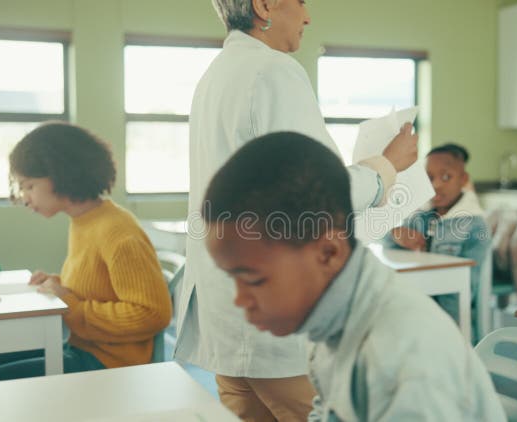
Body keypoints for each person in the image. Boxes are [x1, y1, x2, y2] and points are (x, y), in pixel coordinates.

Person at [175, 0, 418, 419]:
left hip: (226, 312)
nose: (308, 16)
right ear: (264, 4)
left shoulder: (214, 76)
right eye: (302, 2)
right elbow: (315, 192)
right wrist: (387, 166)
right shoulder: (272, 71)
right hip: (275, 314)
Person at [201, 131, 505, 421]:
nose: (239, 300)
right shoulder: (326, 320)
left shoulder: (403, 360)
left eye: (253, 279)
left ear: (329, 253)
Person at [0, 122, 172, 387]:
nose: (25, 198)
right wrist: (59, 285)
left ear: (61, 174)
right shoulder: (83, 221)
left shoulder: (118, 231)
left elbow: (152, 314)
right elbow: (100, 286)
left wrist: (72, 306)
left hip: (109, 364)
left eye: (29, 186)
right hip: (81, 348)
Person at [384, 143, 491, 338]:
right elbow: (389, 254)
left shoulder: (475, 225)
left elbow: (463, 289)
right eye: (429, 178)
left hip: (450, 321)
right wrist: (395, 233)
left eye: (446, 177)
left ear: (464, 180)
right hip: (416, 306)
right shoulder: (420, 214)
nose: (436, 185)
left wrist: (430, 322)